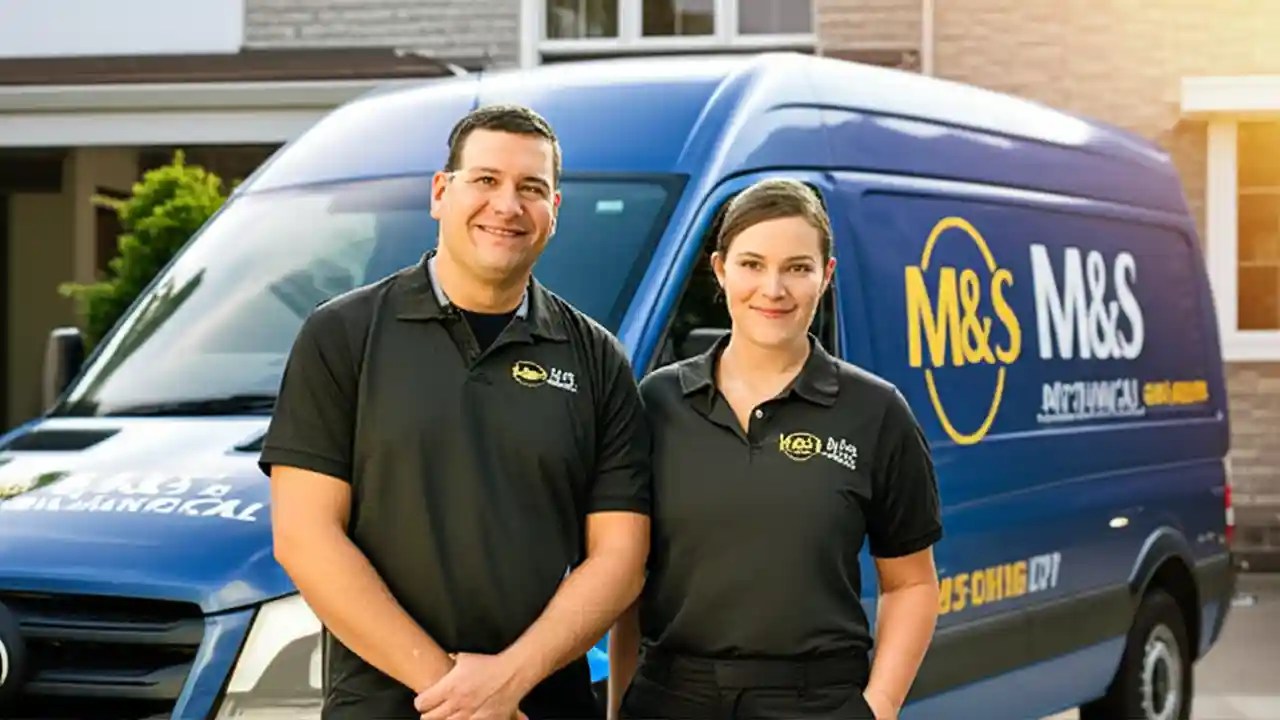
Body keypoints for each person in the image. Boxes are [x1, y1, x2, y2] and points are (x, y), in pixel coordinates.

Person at [259, 104, 652, 720]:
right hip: (385, 705)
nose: (507, 205)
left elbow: (620, 558)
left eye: (532, 188)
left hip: (542, 704)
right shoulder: (343, 336)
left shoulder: (597, 358)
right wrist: (458, 693)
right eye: (486, 180)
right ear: (441, 192)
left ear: (556, 211)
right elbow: (304, 537)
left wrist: (509, 681)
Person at [608, 178, 943, 720]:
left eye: (798, 267)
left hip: (816, 702)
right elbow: (628, 582)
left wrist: (876, 709)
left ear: (825, 276)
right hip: (671, 698)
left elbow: (912, 583)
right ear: (719, 270)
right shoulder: (657, 402)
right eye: (752, 264)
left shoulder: (876, 412)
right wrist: (621, 708)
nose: (773, 288)